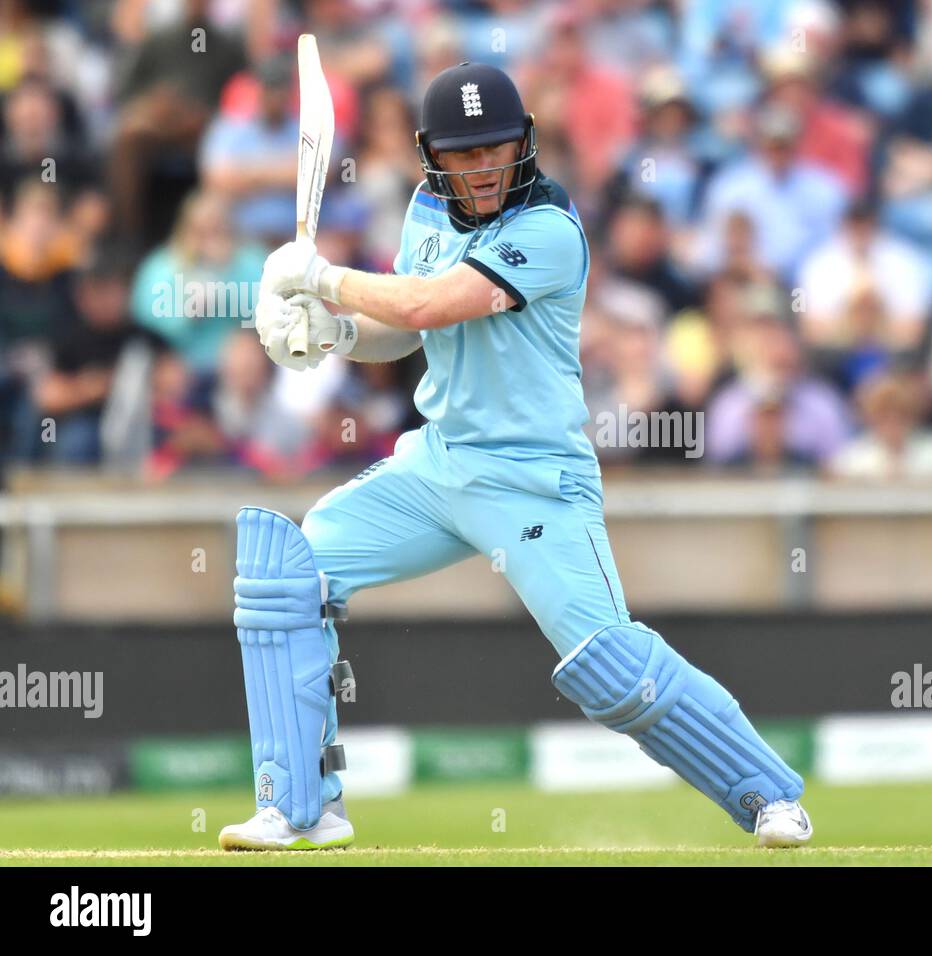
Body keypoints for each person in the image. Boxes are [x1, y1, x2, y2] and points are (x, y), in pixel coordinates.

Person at [220, 62, 811, 851]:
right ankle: (299, 809)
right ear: (433, 157)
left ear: (524, 142)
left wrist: (323, 279)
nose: (484, 168)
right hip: (437, 464)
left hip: (535, 480)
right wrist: (333, 334)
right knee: (286, 574)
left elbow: (434, 301)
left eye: (497, 149)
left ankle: (771, 796)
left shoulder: (549, 229)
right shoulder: (427, 209)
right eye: (464, 155)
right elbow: (412, 323)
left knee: (608, 668)